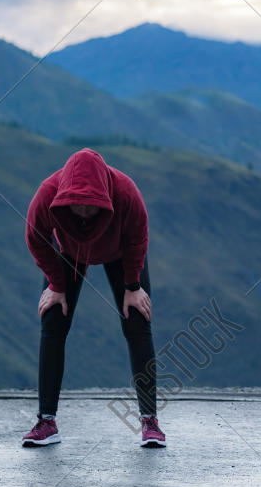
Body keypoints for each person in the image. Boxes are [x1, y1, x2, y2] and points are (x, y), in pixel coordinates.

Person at [20, 148, 165, 448]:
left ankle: (150, 420)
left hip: (121, 252)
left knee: (137, 319)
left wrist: (133, 286)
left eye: (92, 206)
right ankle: (46, 422)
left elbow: (139, 237)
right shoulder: (47, 194)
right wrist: (56, 285)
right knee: (53, 318)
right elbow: (36, 237)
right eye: (77, 206)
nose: (84, 213)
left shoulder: (126, 193)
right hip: (69, 253)